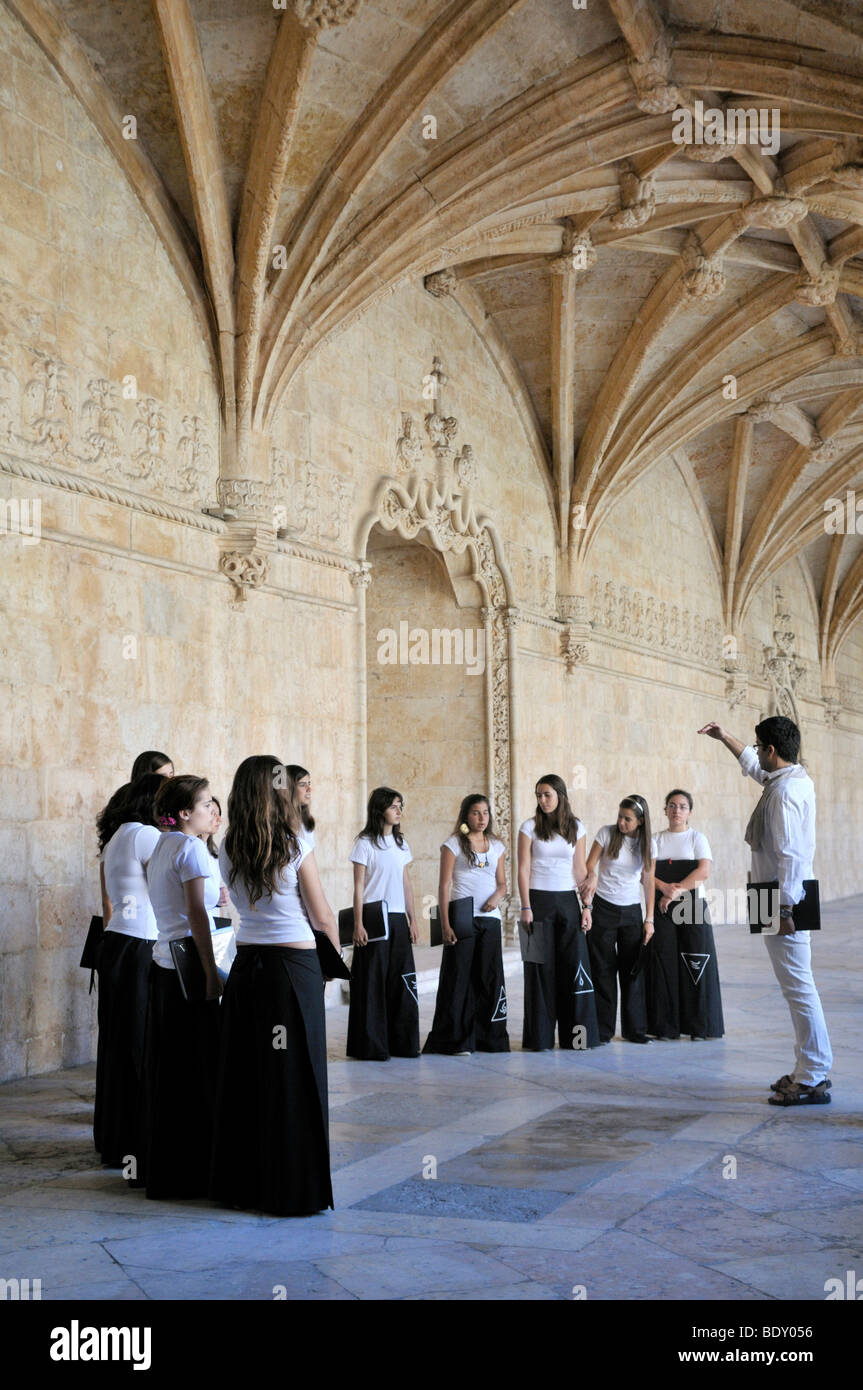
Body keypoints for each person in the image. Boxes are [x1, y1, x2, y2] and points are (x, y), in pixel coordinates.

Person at [211, 756, 336, 1215]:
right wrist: (335, 961)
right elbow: (321, 914)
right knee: (296, 1074)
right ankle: (293, 1187)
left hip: (249, 966)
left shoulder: (227, 847)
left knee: (250, 1075)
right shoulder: (294, 842)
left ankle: (246, 1184)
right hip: (295, 964)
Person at [699, 717, 832, 1105]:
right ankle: (808, 1065)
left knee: (799, 987)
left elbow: (791, 855)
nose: (756, 752)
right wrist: (725, 737)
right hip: (775, 894)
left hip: (781, 897)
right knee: (796, 987)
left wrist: (785, 909)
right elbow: (755, 768)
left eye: (760, 747)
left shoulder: (784, 794)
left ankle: (812, 1074)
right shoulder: (791, 780)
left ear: (772, 750)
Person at [139, 775, 222, 1198]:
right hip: (188, 966)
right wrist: (211, 970)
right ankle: (193, 1171)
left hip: (162, 964)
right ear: (185, 813)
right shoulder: (190, 848)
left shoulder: (162, 845)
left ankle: (167, 1170)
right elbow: (196, 915)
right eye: (206, 803)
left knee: (171, 1071)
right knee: (196, 1070)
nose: (213, 810)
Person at [93, 773, 163, 1168]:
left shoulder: (117, 836)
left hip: (118, 941)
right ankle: (138, 1142)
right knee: (140, 1044)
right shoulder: (146, 836)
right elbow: (167, 888)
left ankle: (114, 1137)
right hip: (141, 943)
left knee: (118, 1043)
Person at [517, 774, 600, 1051]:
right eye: (538, 795)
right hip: (537, 903)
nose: (542, 800)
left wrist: (586, 907)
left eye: (547, 795)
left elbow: (580, 871)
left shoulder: (576, 827)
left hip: (568, 902)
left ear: (560, 796)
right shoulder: (529, 827)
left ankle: (577, 1039)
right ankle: (539, 1040)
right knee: (538, 971)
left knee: (573, 969)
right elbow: (523, 869)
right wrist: (525, 906)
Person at [423, 795, 510, 1056]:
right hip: (461, 917)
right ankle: (456, 1040)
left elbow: (503, 884)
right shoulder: (453, 845)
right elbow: (444, 885)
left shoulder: (496, 846)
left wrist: (496, 898)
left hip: (490, 920)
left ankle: (489, 1038)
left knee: (489, 977)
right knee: (459, 978)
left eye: (485, 813)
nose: (482, 818)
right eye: (475, 813)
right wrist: (445, 925)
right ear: (465, 815)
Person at [346, 786, 419, 1060]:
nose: (399, 811)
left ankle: (403, 1044)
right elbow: (358, 887)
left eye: (400, 805)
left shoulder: (402, 844)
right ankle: (372, 1045)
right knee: (372, 983)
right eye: (393, 806)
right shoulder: (364, 843)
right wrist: (357, 923)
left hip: (399, 918)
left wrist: (413, 919)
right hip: (374, 919)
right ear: (380, 810)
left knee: (402, 982)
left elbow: (406, 883)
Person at [648, 789, 723, 1041]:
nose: (676, 810)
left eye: (682, 806)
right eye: (672, 805)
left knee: (696, 964)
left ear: (689, 812)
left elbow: (703, 871)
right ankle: (666, 1028)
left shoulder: (696, 838)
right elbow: (645, 873)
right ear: (665, 810)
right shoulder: (655, 839)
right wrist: (664, 890)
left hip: (691, 905)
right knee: (664, 964)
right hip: (662, 908)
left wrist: (674, 892)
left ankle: (700, 1026)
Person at [582, 796, 656, 1044]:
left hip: (631, 912)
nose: (621, 822)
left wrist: (649, 919)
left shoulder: (649, 845)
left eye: (628, 819)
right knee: (603, 970)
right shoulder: (606, 834)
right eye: (620, 817)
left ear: (640, 821)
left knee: (632, 971)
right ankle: (603, 1031)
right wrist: (591, 878)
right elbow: (588, 865)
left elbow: (648, 882)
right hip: (603, 909)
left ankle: (635, 1030)